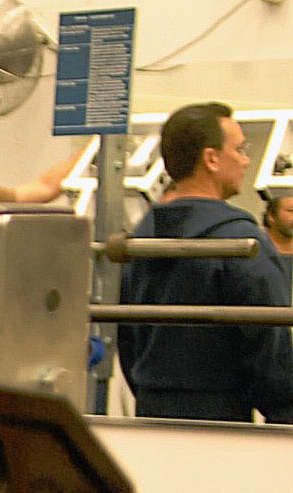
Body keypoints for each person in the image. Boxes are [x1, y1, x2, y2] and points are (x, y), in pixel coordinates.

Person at [115, 102, 293, 424]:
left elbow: (128, 338)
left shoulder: (140, 239)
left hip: (150, 418)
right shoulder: (242, 243)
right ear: (211, 159)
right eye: (239, 149)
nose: (246, 160)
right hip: (221, 425)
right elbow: (271, 353)